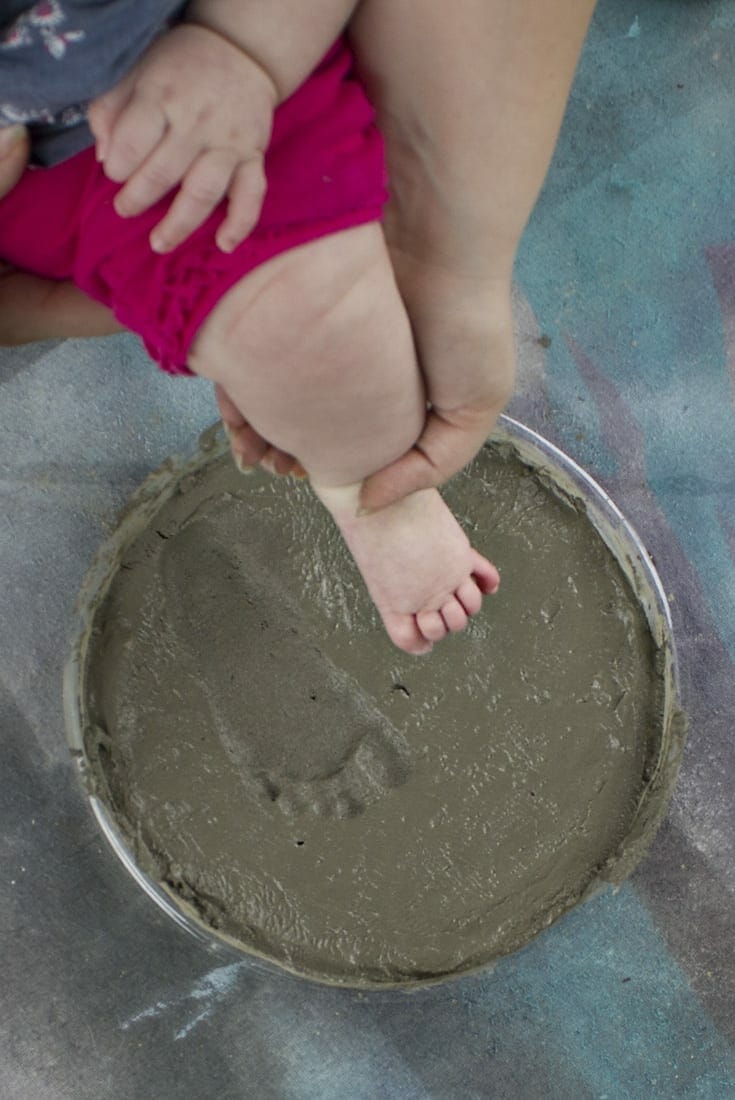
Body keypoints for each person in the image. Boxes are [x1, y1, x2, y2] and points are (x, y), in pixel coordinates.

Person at [0, 1, 597, 652]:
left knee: (303, 317)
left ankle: (375, 488)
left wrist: (247, 46)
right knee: (262, 328)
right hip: (42, 169)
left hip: (184, 62)